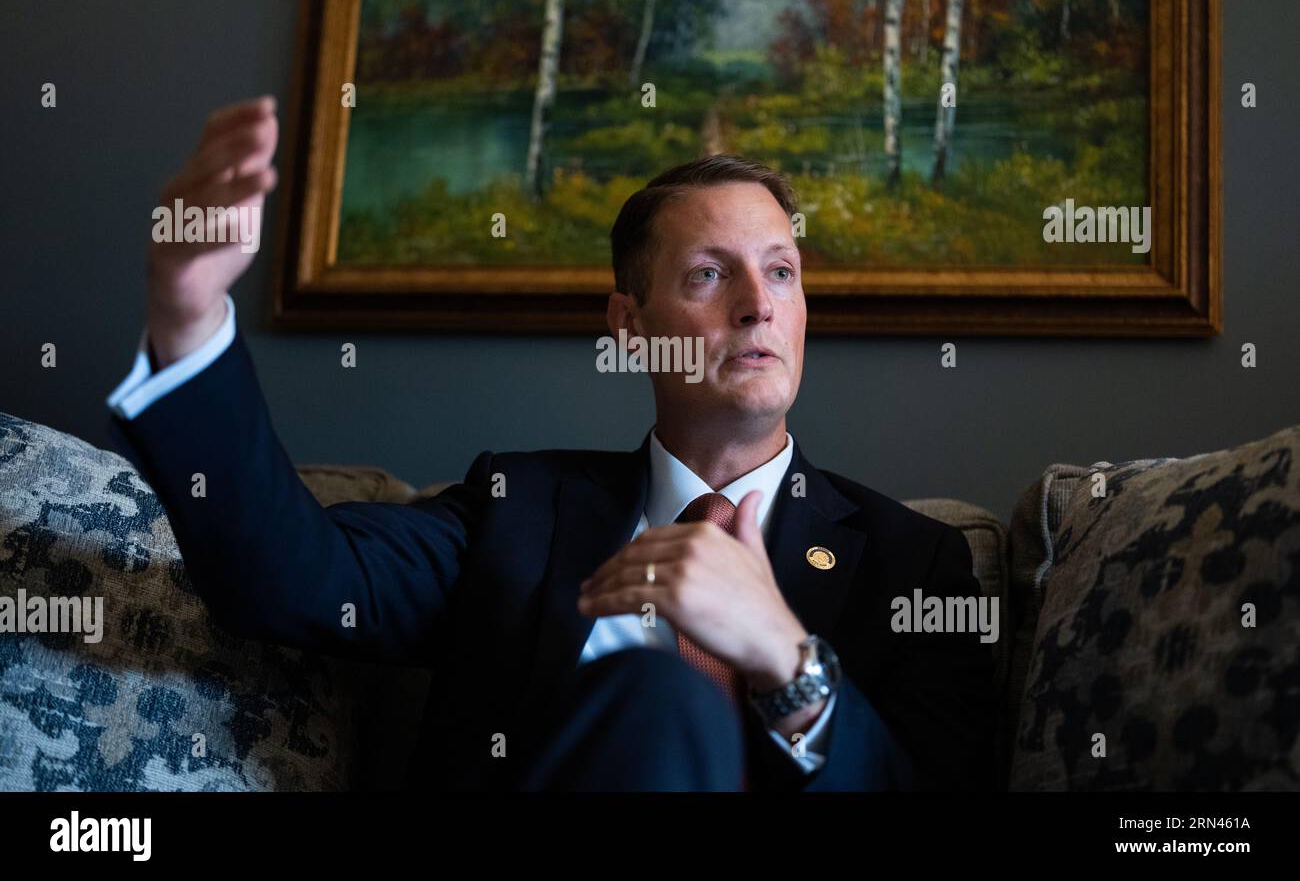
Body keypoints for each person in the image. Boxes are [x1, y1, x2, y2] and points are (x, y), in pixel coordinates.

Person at [107, 95, 994, 791]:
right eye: (708, 274)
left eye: (781, 271)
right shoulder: (515, 511)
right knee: (658, 693)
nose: (757, 305)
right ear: (631, 325)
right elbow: (287, 578)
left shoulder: (914, 565)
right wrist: (189, 319)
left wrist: (786, 662)